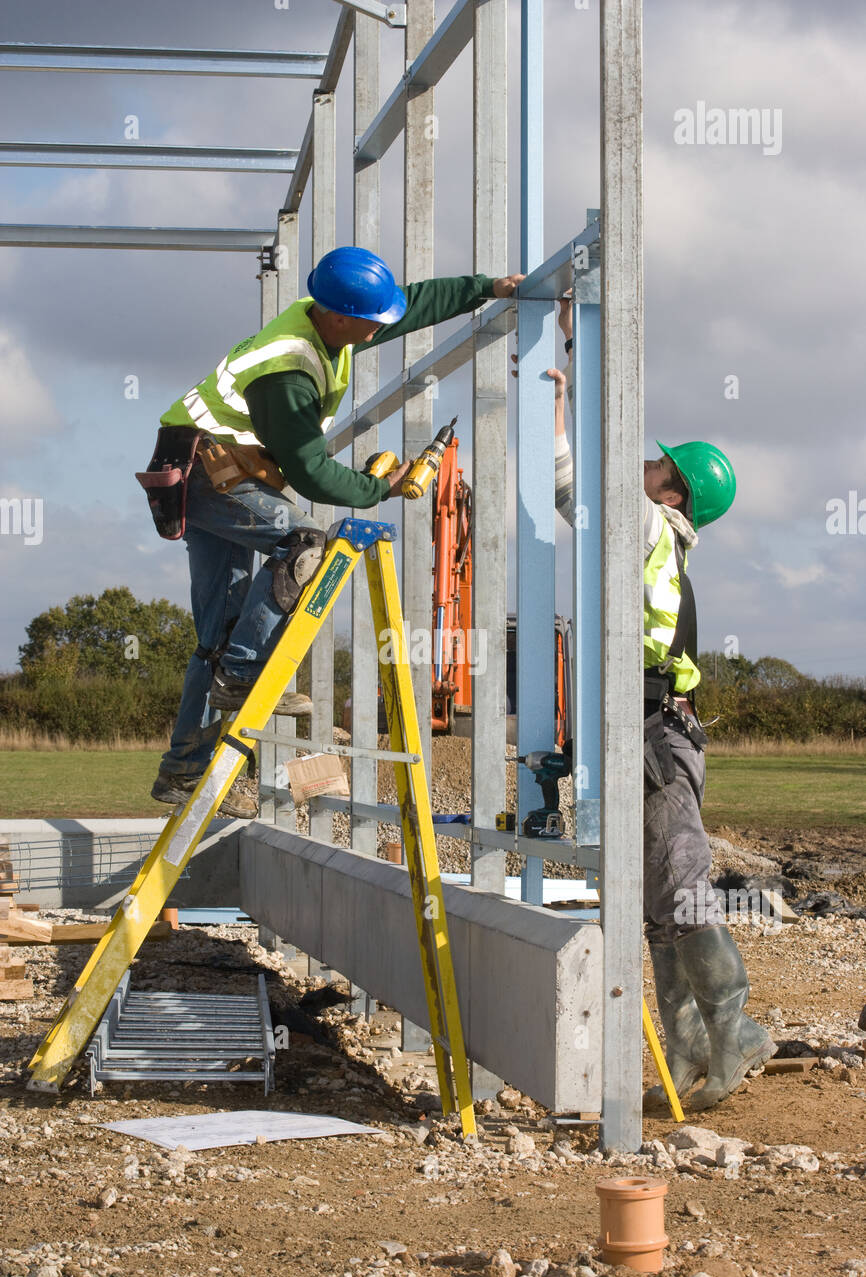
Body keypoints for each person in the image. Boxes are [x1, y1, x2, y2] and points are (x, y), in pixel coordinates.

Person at [146, 247, 524, 817]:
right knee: (305, 546)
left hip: (209, 466)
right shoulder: (288, 372)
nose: (380, 328)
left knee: (214, 637)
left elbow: (411, 305)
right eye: (371, 321)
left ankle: (181, 772)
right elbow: (311, 474)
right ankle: (243, 673)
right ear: (340, 316)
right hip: (209, 471)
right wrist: (382, 488)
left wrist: (486, 287)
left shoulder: (329, 318)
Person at [549, 293, 775, 1110]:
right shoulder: (650, 533)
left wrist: (577, 352)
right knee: (656, 905)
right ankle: (692, 1062)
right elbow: (578, 490)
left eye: (658, 466)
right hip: (645, 731)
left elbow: (597, 465)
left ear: (672, 493)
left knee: (680, 883)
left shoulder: (646, 524)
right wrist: (557, 406)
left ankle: (737, 1028)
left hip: (653, 732)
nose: (644, 466)